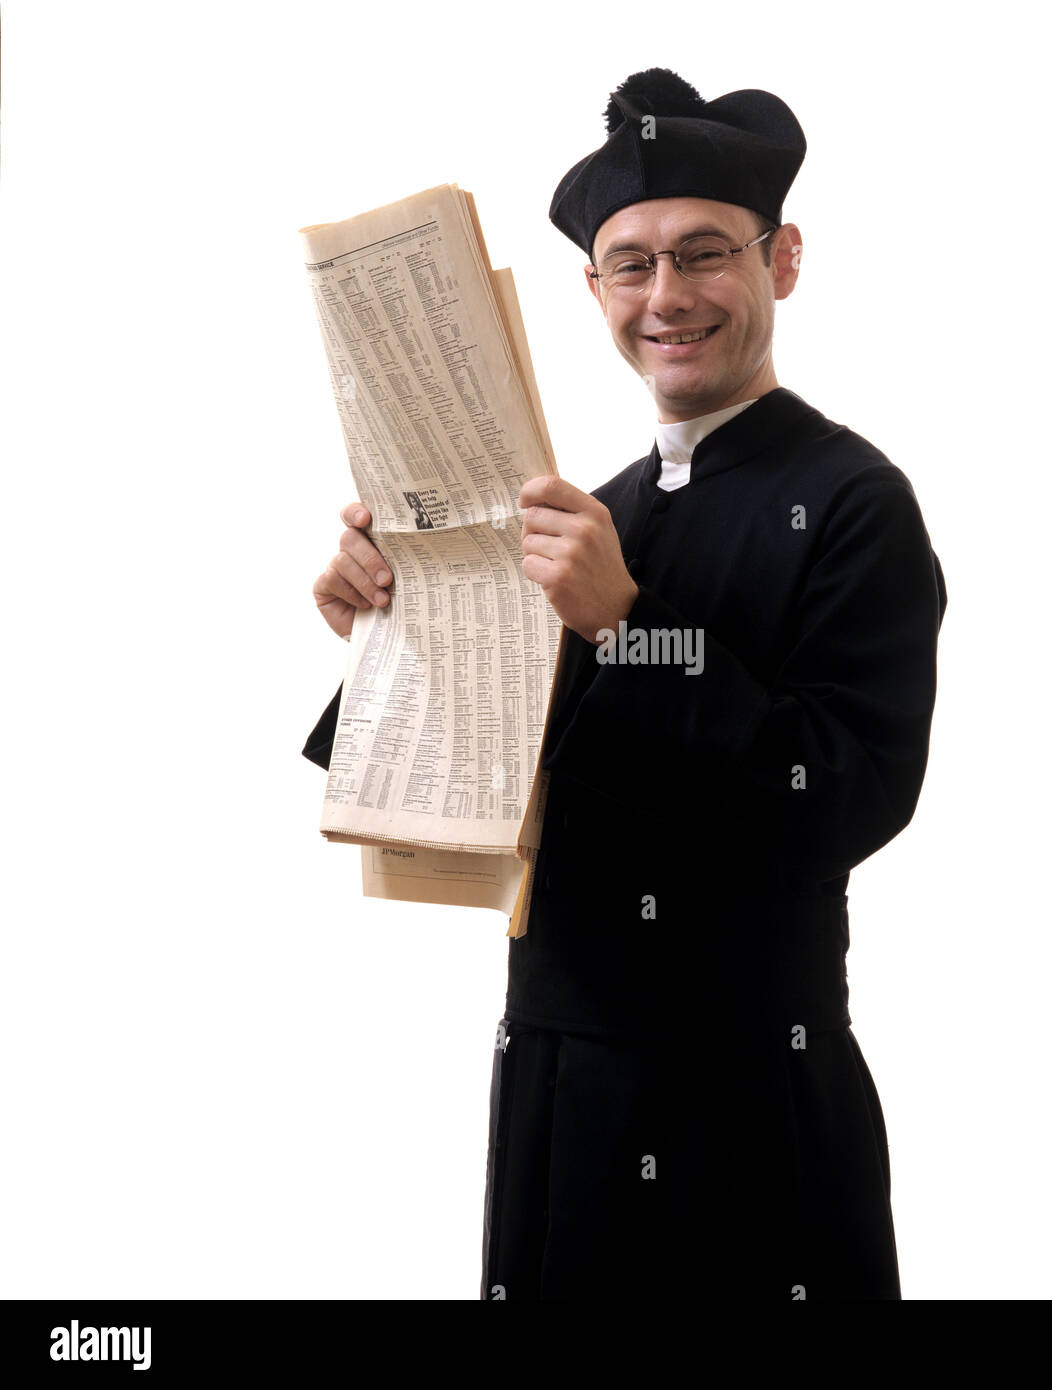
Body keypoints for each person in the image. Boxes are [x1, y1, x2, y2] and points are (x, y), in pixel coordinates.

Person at [304, 68, 948, 1300]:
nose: (667, 297)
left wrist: (625, 629)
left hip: (748, 1086)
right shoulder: (585, 509)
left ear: (784, 259)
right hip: (559, 1070)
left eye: (702, 254)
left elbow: (846, 798)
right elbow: (489, 796)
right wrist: (390, 622)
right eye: (630, 264)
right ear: (591, 289)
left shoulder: (856, 502)